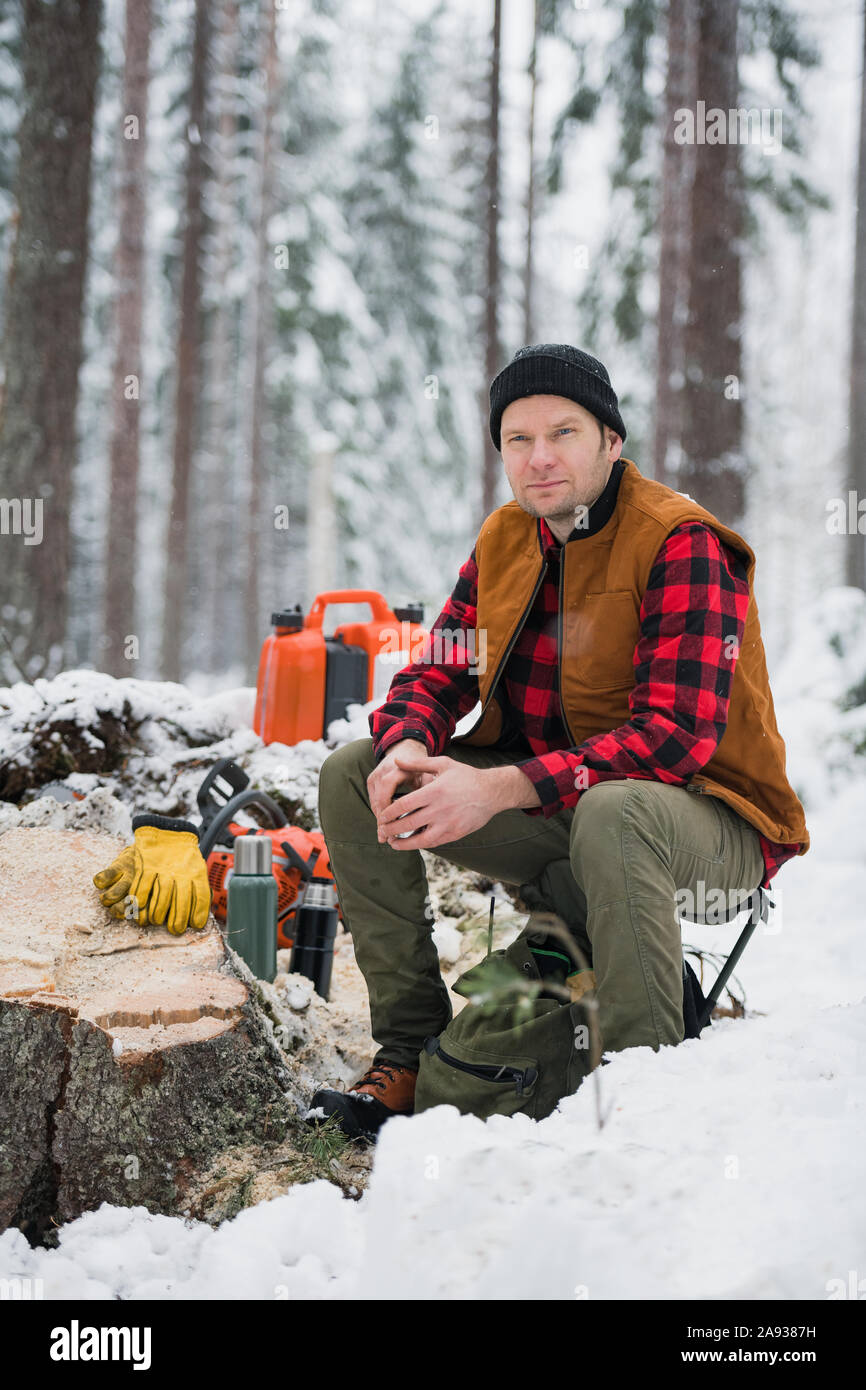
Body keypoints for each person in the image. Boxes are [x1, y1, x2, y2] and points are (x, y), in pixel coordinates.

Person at [310, 343, 809, 1141]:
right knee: (353, 770)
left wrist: (499, 786)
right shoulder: (506, 539)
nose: (540, 457)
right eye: (518, 439)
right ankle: (406, 1053)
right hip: (566, 804)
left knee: (615, 811)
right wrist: (407, 740)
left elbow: (675, 739)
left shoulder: (682, 542)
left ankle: (646, 1090)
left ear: (612, 441)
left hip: (711, 820)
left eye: (564, 432)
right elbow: (439, 670)